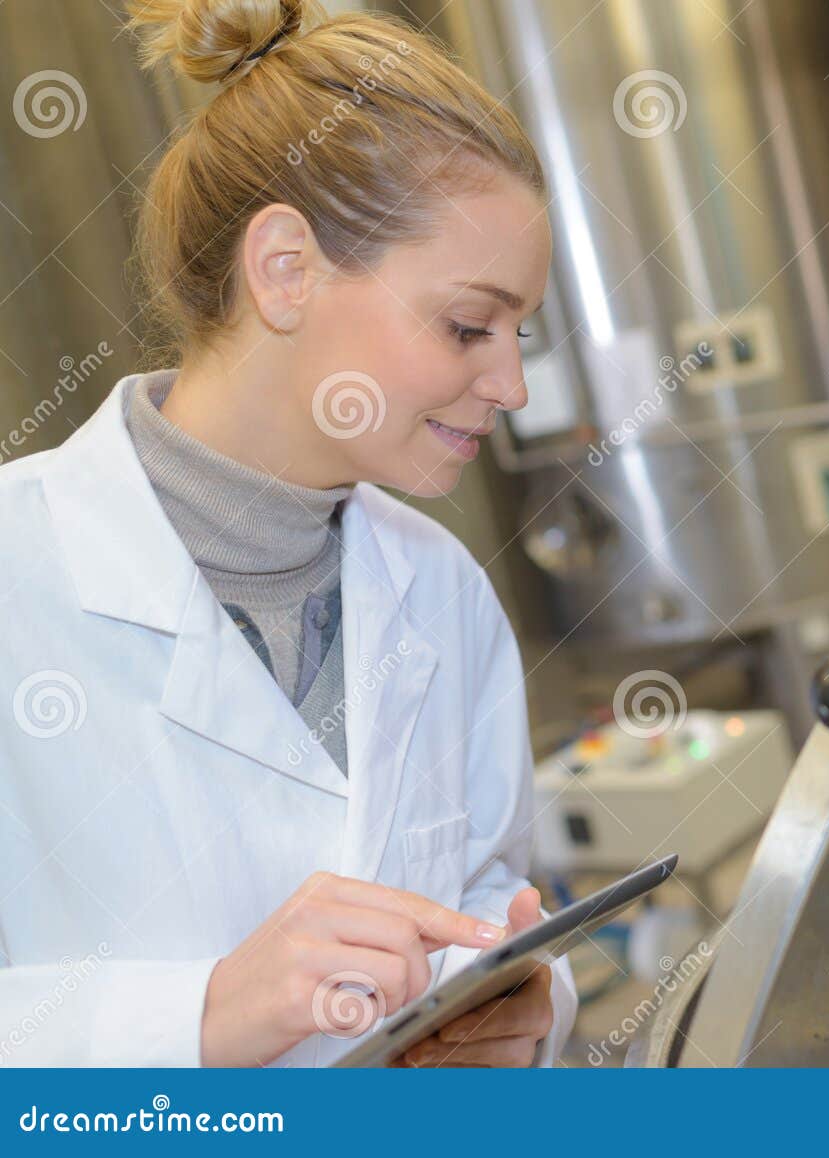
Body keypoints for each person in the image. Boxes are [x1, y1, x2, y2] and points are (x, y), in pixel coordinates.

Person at [0, 0, 577, 1066]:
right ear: (285, 271)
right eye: (466, 325)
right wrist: (201, 1018)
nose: (509, 384)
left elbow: (487, 898)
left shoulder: (439, 587)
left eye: (517, 333)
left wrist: (513, 1010)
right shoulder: (18, 578)